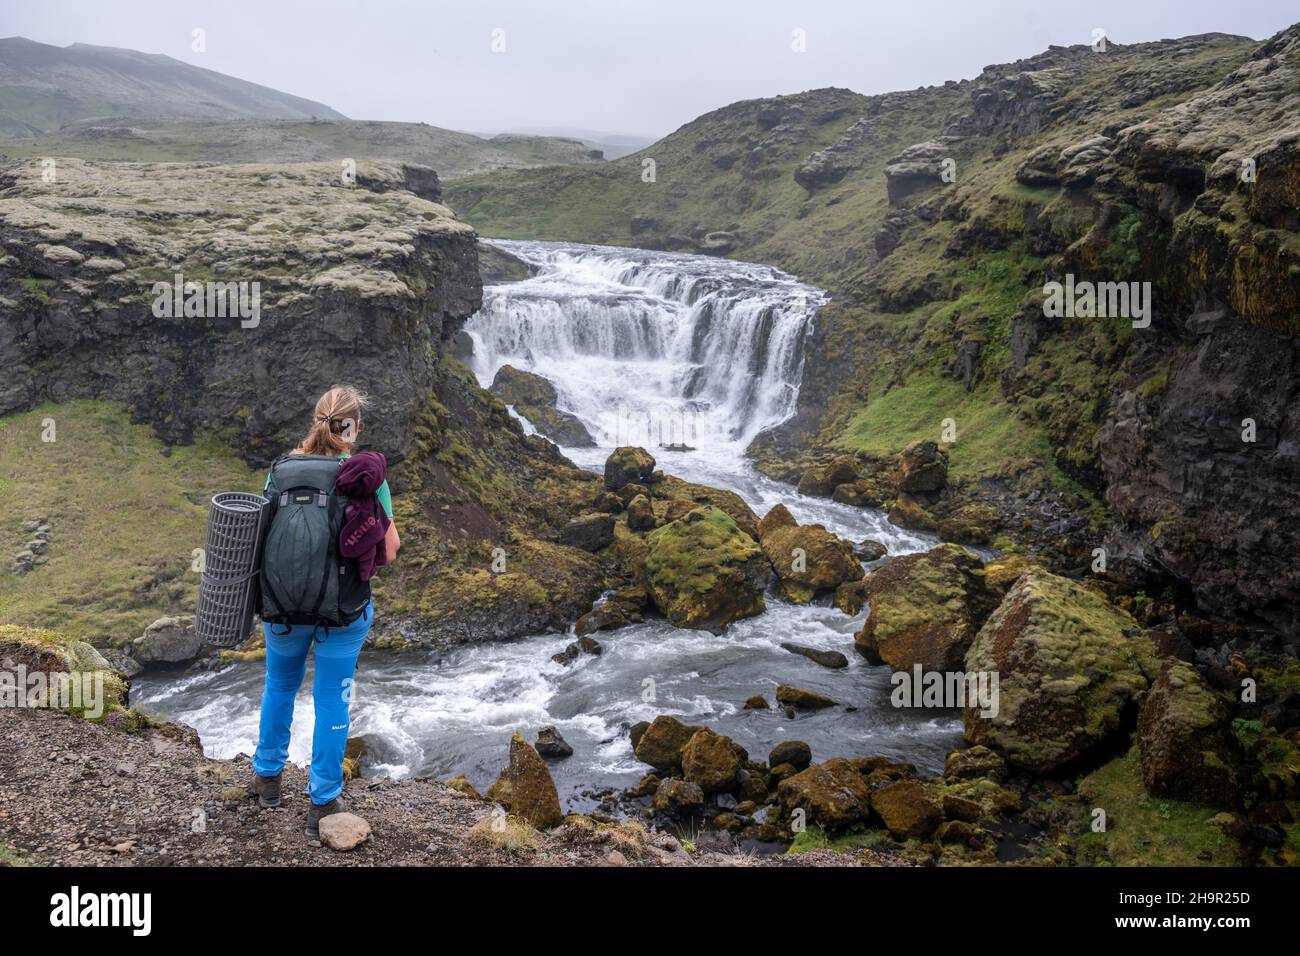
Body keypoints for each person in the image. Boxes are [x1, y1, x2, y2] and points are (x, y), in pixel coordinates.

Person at [245, 385, 400, 840]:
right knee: (333, 697)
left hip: (283, 608)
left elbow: (262, 535)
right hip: (343, 611)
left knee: (280, 684)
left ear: (316, 420)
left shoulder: (281, 472)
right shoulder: (365, 477)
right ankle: (322, 802)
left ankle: (268, 779)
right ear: (354, 427)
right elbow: (388, 551)